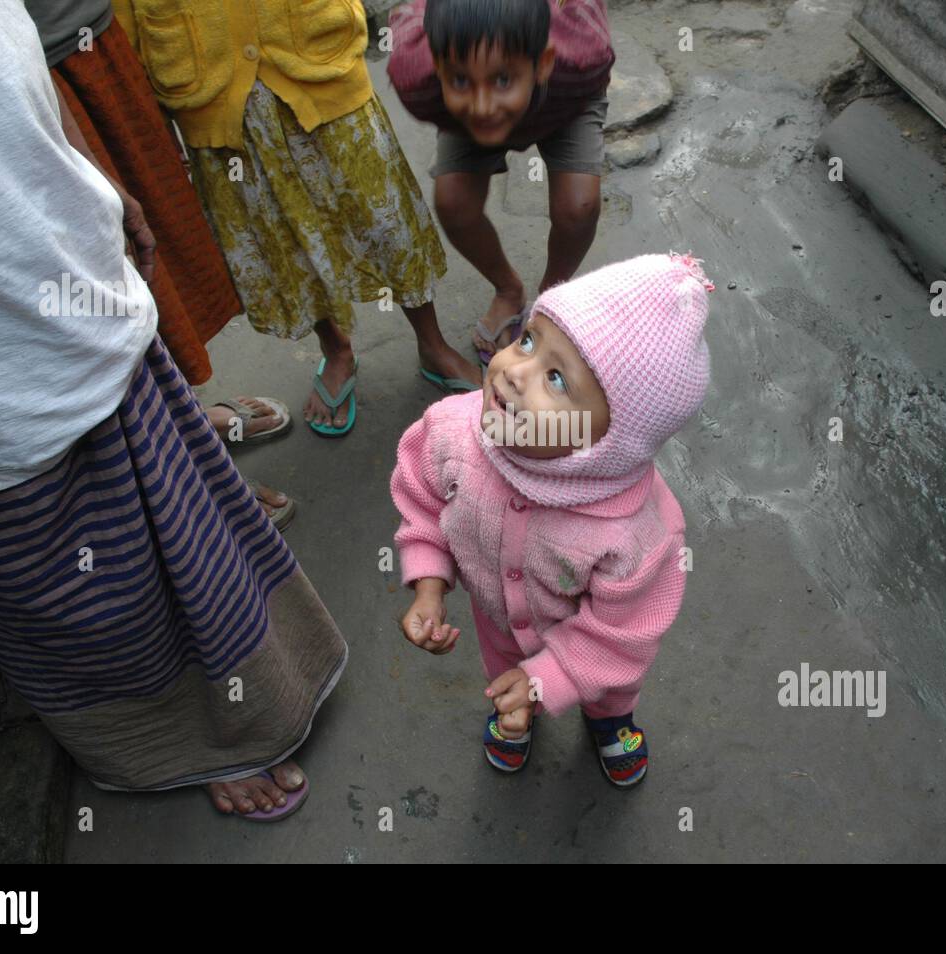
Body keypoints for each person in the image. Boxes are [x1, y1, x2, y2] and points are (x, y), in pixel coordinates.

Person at [0, 0, 347, 819]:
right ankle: (176, 742)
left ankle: (239, 701)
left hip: (65, 269)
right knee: (92, 603)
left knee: (184, 534)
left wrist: (81, 167)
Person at [390, 253, 711, 786]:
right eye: (530, 340)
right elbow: (421, 495)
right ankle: (513, 711)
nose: (514, 373)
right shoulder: (453, 432)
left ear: (614, 439)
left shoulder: (635, 531)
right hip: (497, 622)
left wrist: (549, 678)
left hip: (594, 651)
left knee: (606, 691)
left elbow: (620, 635)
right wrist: (428, 582)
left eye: (557, 380)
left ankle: (610, 725)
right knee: (504, 676)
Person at [113, 0, 484, 439]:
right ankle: (336, 349)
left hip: (314, 57)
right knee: (282, 246)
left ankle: (432, 343)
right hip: (211, 95)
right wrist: (155, 125)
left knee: (383, 220)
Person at [24, 0, 297, 527]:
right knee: (83, 288)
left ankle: (185, 420)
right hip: (3, 92)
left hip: (83, 45)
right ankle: (182, 466)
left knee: (149, 263)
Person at [388, 0, 615, 364]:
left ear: (543, 63)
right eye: (460, 79)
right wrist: (495, 88)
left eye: (502, 79)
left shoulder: (584, 57)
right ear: (437, 67)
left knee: (579, 206)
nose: (482, 106)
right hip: (469, 100)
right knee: (454, 204)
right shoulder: (417, 80)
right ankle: (508, 290)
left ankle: (550, 300)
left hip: (564, 100)